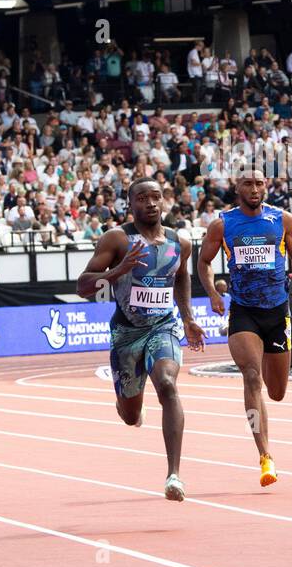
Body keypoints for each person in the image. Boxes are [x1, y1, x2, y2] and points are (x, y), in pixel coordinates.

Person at [77, 178, 205, 501]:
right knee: (130, 415)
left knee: (167, 384)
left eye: (156, 197)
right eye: (143, 198)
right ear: (130, 204)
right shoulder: (117, 239)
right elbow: (83, 285)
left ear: (164, 201)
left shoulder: (180, 242)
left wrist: (188, 318)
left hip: (163, 327)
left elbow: (182, 276)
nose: (150, 203)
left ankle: (174, 475)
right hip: (126, 334)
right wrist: (118, 270)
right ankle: (128, 405)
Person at [198, 168, 292, 488]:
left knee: (277, 393)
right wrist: (213, 293)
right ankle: (265, 456)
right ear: (238, 188)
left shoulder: (282, 220)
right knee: (250, 376)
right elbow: (203, 262)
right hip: (244, 311)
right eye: (248, 183)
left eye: (259, 183)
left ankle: (263, 358)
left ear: (266, 187)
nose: (254, 188)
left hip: (277, 311)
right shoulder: (223, 224)